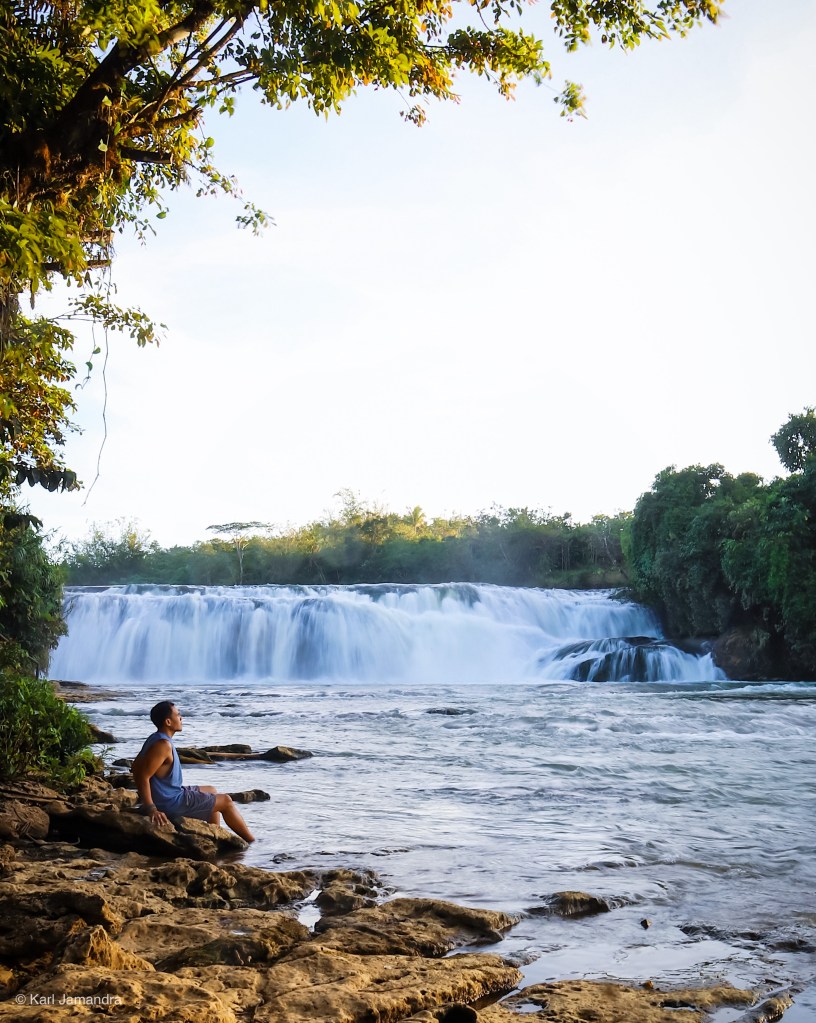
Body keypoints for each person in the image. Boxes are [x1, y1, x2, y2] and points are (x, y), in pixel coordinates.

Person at [132, 700, 255, 843]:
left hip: (170, 794)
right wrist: (151, 808)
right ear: (168, 722)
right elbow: (142, 775)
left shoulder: (155, 738)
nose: (181, 718)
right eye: (178, 715)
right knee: (226, 801)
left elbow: (135, 766)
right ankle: (252, 842)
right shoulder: (163, 745)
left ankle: (213, 836)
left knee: (211, 790)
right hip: (171, 802)